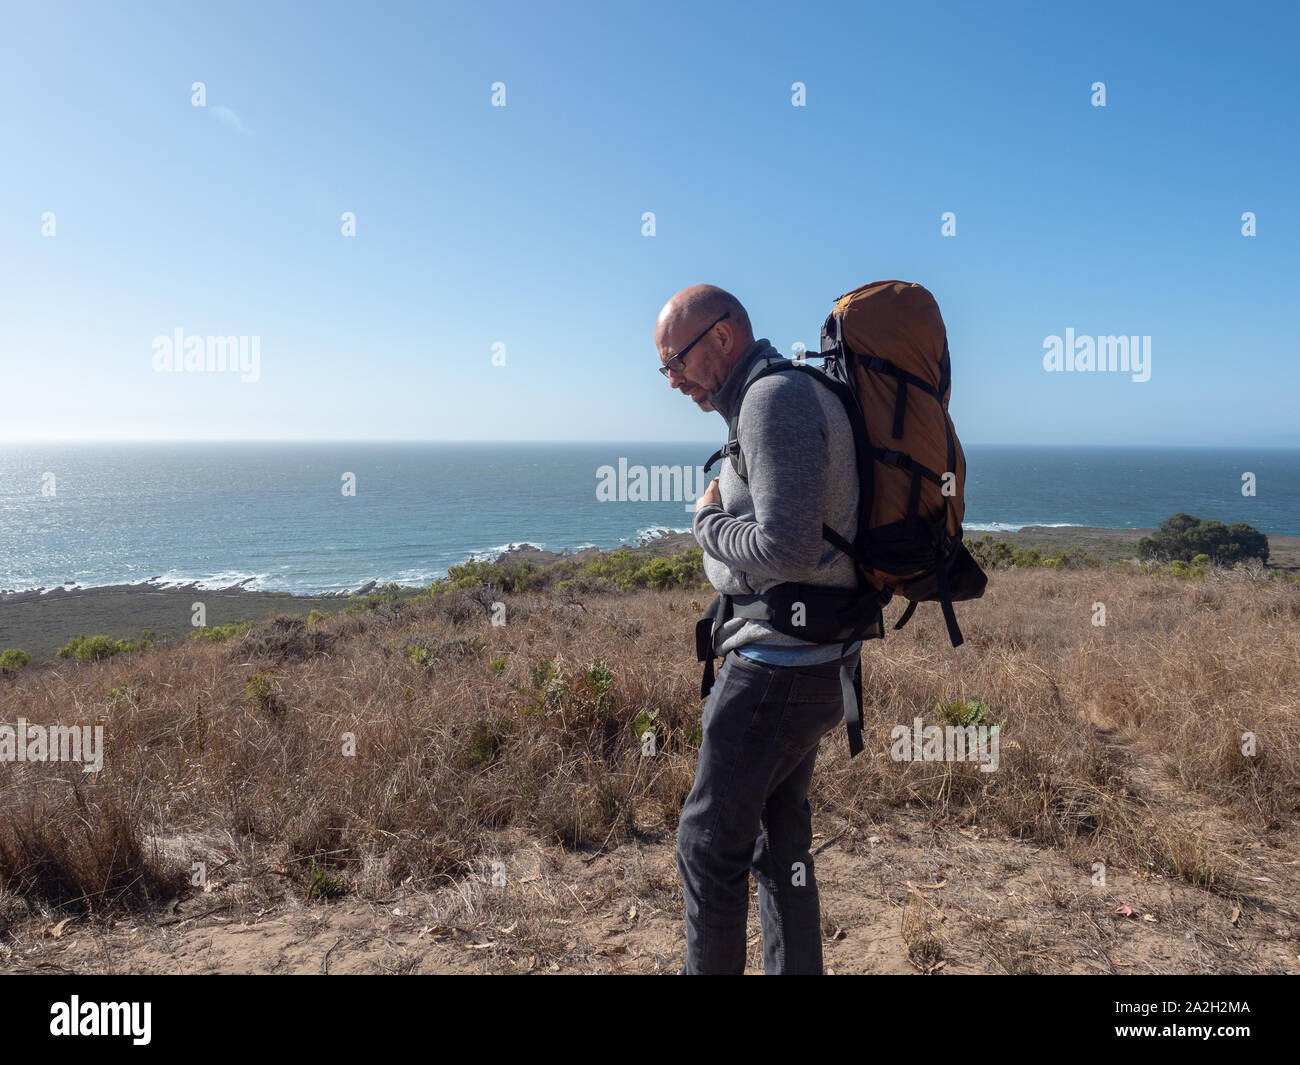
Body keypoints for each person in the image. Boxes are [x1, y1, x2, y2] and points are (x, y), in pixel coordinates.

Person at [654, 283, 873, 975]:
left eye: (678, 360)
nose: (674, 379)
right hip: (812, 664)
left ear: (723, 335)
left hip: (777, 670)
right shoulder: (776, 393)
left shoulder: (771, 400)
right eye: (664, 369)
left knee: (706, 845)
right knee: (779, 848)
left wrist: (706, 523)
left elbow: (788, 549)